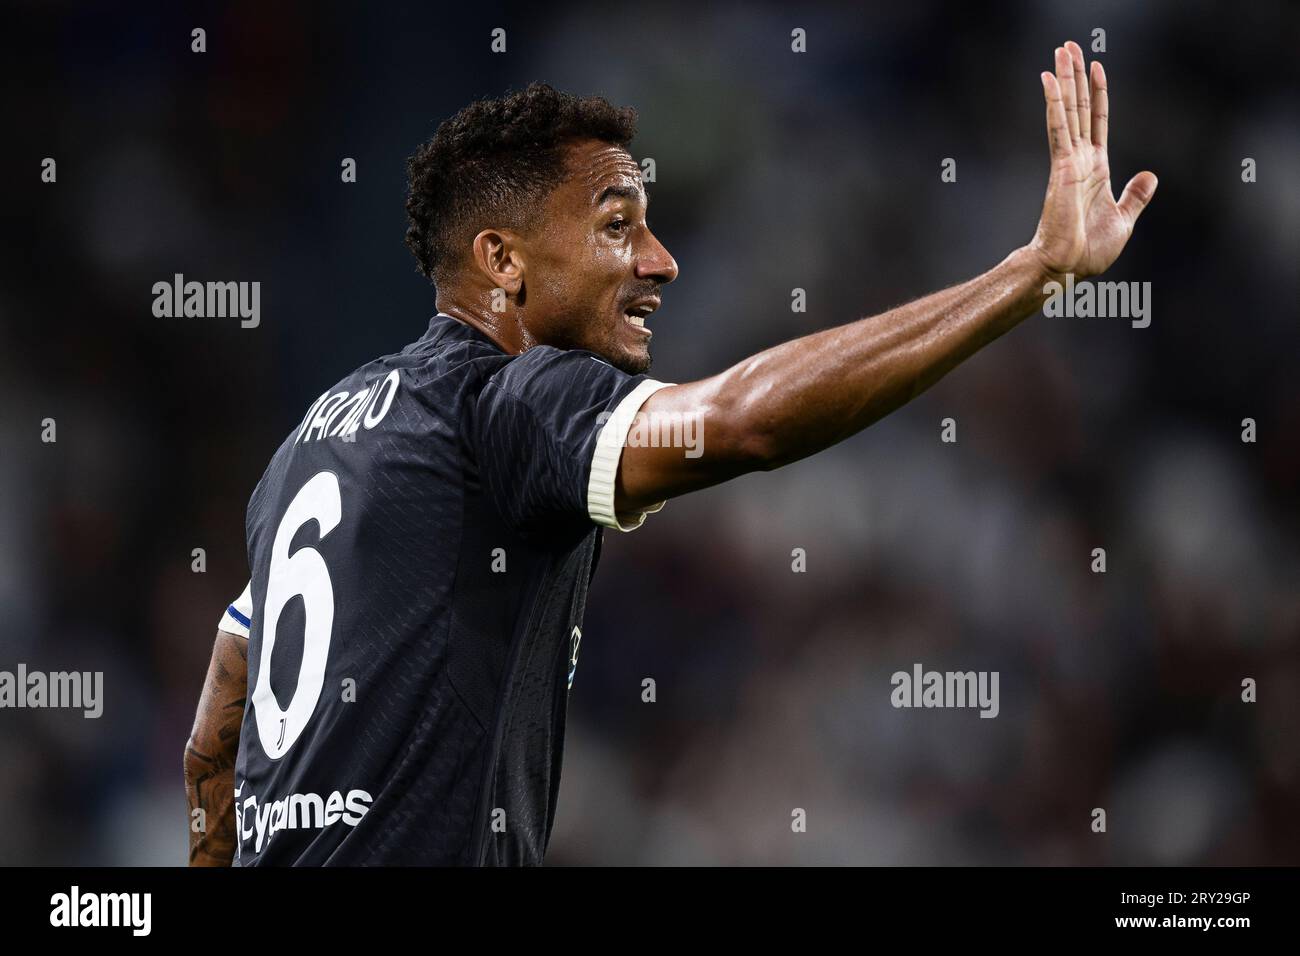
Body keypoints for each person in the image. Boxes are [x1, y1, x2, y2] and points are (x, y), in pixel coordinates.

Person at [184, 40, 1155, 865]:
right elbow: (742, 420)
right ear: (503, 260)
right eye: (617, 225)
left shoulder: (311, 441)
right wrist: (1028, 277)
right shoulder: (512, 396)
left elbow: (210, 744)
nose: (660, 258)